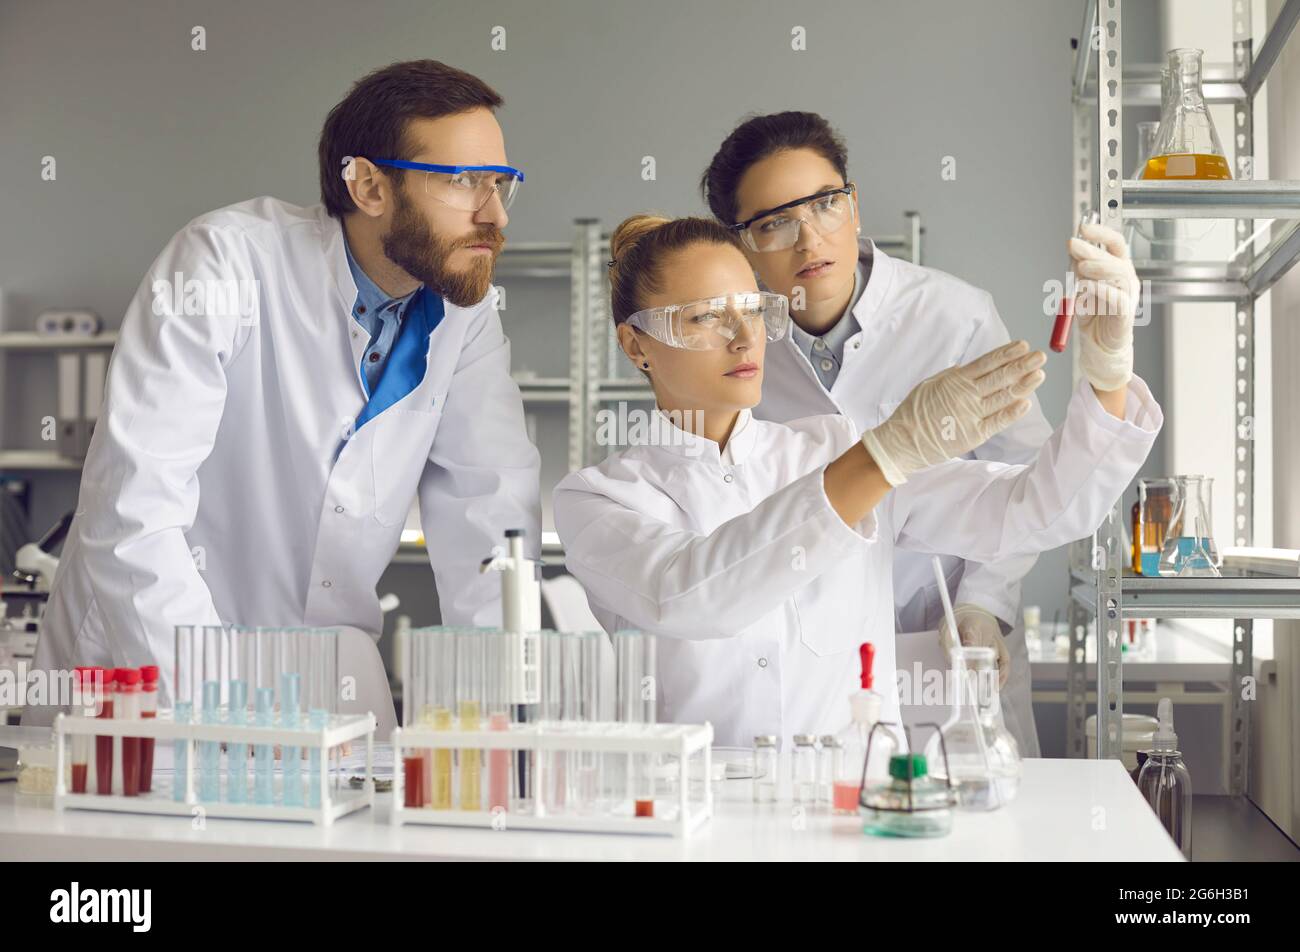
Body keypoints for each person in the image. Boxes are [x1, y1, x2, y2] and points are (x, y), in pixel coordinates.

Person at [27, 60, 540, 735]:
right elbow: (132, 510)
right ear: (367, 185)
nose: (494, 214)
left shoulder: (463, 314)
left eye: (502, 184)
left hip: (329, 682)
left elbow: (490, 514)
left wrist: (501, 718)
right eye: (464, 182)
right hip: (147, 682)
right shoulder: (225, 263)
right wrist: (216, 717)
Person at [553, 214, 1156, 748]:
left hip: (853, 818)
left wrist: (1108, 375)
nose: (743, 336)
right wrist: (886, 452)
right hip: (702, 823)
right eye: (708, 316)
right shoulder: (599, 498)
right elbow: (690, 595)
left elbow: (1036, 509)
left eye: (754, 309)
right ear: (636, 344)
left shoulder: (835, 448)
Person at [701, 111, 1054, 754]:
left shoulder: (953, 316)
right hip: (811, 650)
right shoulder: (738, 349)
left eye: (825, 204)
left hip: (946, 635)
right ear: (743, 244)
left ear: (853, 206)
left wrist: (984, 601)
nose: (810, 241)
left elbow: (1030, 476)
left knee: (976, 833)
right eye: (775, 222)